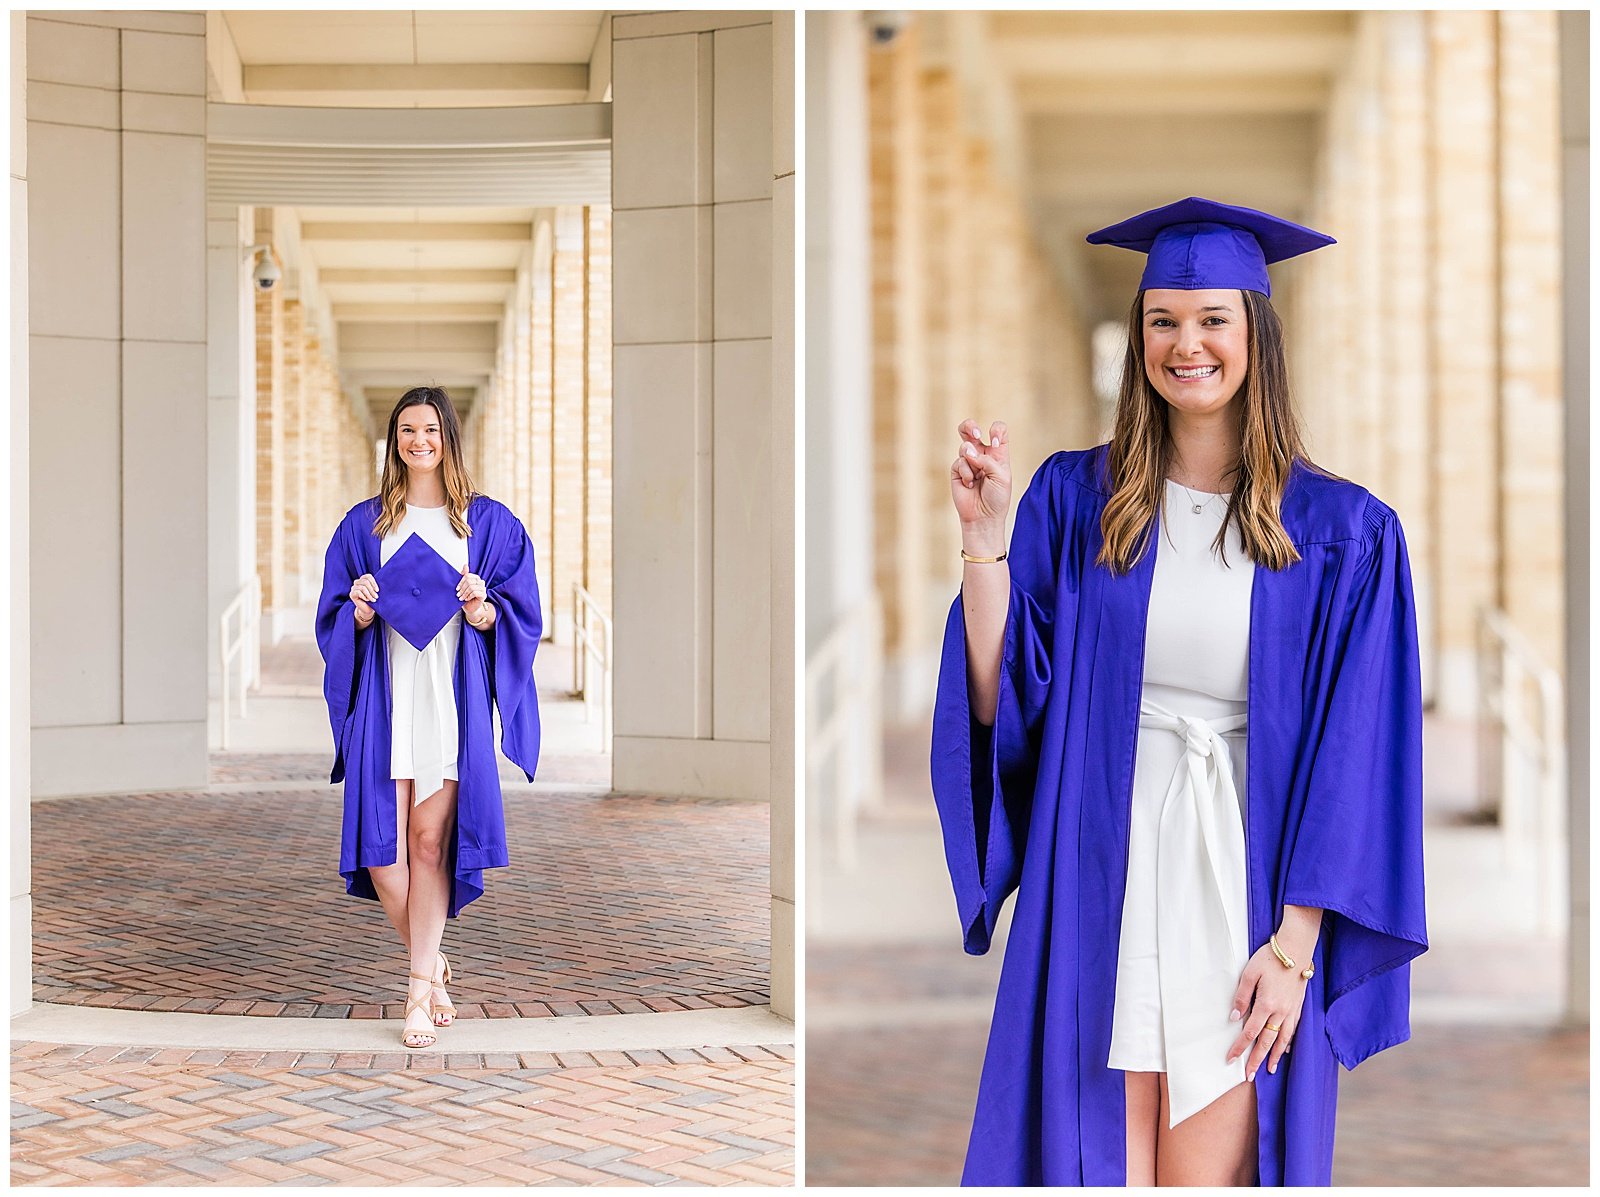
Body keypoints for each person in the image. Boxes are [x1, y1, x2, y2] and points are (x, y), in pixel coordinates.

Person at [933, 197, 1427, 1186]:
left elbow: (1357, 752)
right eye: (1163, 320)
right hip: (1099, 879)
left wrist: (1294, 947)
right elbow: (1003, 700)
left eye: (1212, 320)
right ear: (1138, 338)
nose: (1185, 343)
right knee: (1095, 1168)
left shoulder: (1344, 533)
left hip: (1241, 896)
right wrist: (982, 547)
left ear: (1256, 335)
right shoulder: (1076, 501)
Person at [316, 385, 543, 1050]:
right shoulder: (367, 526)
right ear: (395, 441)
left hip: (447, 699)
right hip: (390, 696)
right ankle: (435, 962)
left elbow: (519, 613)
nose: (419, 440)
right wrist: (356, 609)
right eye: (407, 430)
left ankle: (416, 992)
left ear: (449, 438)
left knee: (425, 843)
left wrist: (482, 608)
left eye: (431, 429)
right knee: (382, 855)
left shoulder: (486, 523)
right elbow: (333, 616)